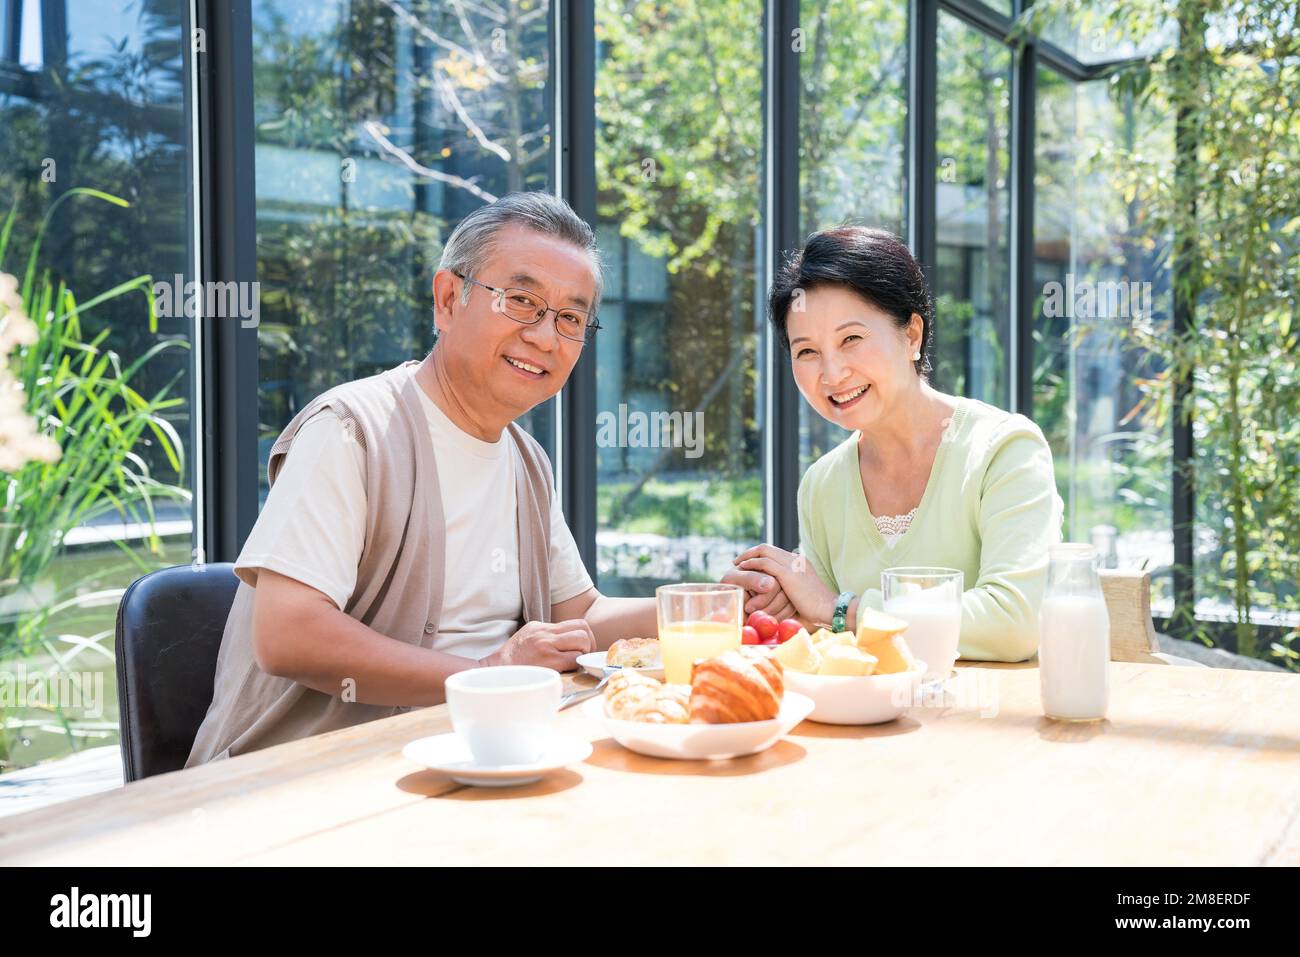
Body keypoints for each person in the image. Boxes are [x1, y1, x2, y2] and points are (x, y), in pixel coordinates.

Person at [187, 192, 656, 765]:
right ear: (448, 299)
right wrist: (488, 675)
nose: (545, 336)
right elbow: (289, 635)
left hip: (486, 754)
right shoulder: (352, 430)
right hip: (310, 778)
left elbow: (578, 615)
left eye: (570, 318)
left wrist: (716, 605)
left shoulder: (527, 460)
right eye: (522, 301)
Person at [724, 226, 1063, 662]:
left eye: (851, 339)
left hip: (989, 724)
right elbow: (829, 636)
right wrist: (771, 596)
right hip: (865, 724)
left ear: (912, 335)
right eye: (806, 351)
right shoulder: (823, 484)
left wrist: (839, 608)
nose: (832, 373)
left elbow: (1014, 621)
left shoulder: (1003, 450)